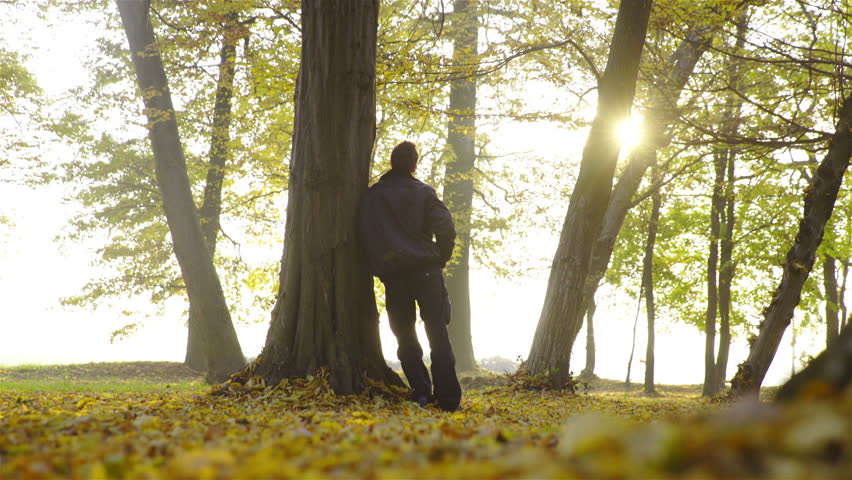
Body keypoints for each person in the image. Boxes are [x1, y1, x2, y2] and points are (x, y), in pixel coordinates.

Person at [358, 141, 462, 412]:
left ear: (392, 163)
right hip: (427, 271)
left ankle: (421, 392)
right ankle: (449, 398)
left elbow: (364, 236)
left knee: (404, 335)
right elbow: (446, 227)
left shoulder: (372, 196)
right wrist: (441, 256)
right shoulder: (424, 193)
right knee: (437, 332)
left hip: (395, 275)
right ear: (414, 164)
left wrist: (379, 266)